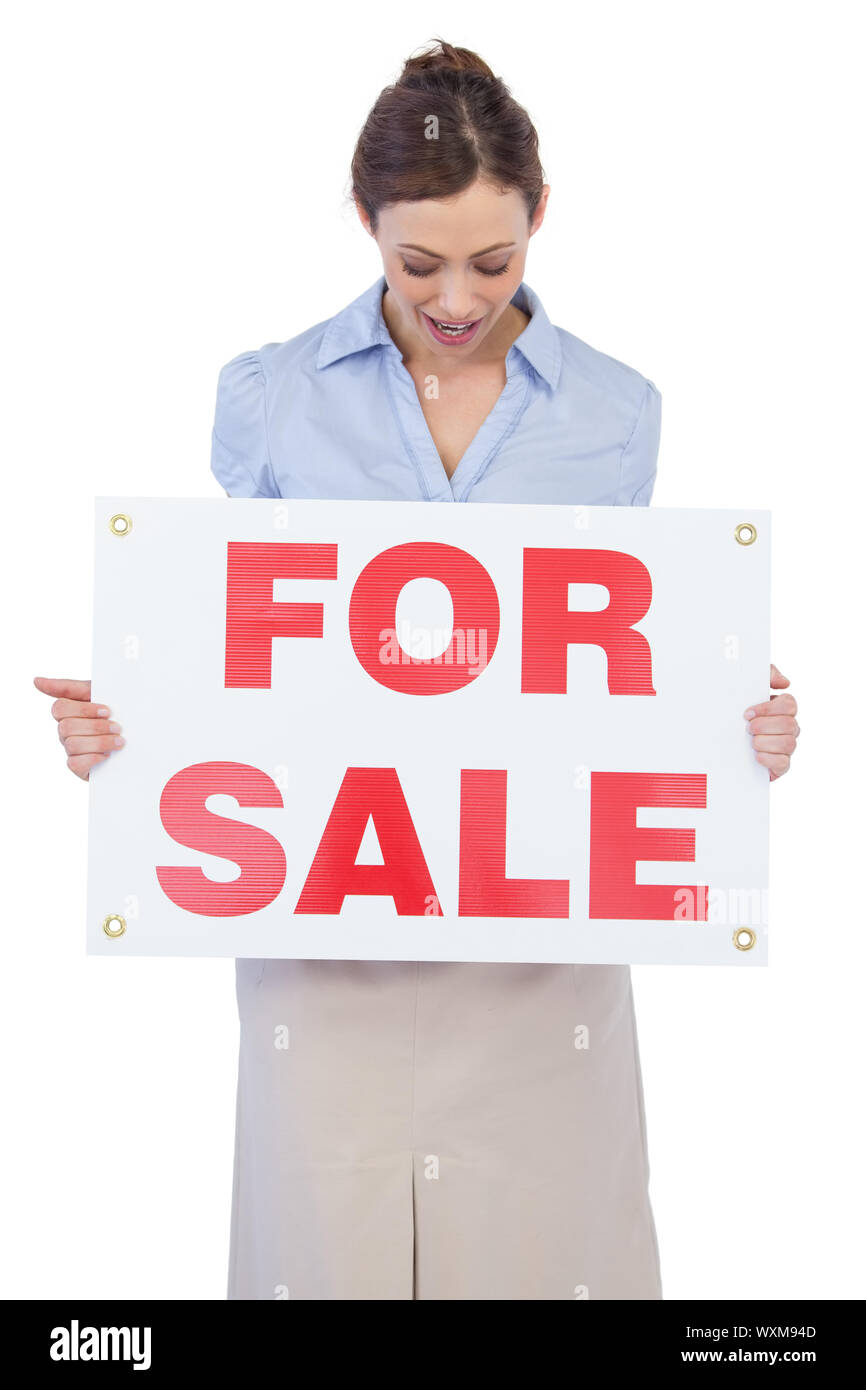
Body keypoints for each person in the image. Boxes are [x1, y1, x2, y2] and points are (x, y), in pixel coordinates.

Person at [33, 39, 800, 1300]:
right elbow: (237, 655)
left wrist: (741, 729)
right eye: (417, 261)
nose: (457, 297)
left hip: (539, 946)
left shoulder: (616, 412)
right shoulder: (270, 395)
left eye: (494, 262)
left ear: (540, 218)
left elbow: (628, 675)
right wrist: (131, 732)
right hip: (328, 941)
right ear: (363, 222)